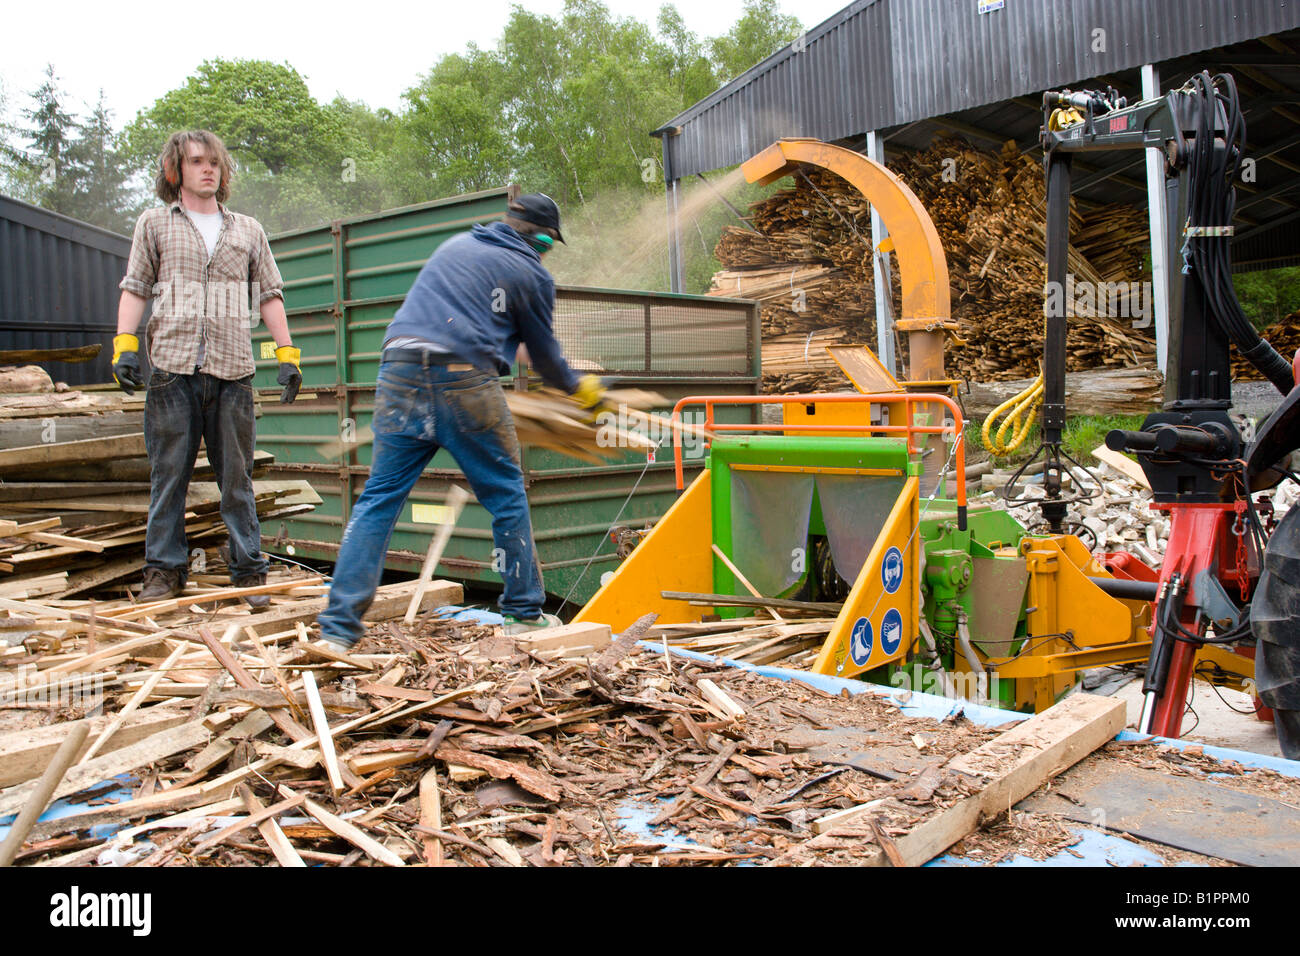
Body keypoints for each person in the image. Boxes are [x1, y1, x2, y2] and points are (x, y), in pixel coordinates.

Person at [316, 193, 604, 648]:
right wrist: (578, 389)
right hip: (464, 379)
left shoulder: (454, 248)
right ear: (545, 239)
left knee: (378, 498)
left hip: (399, 370)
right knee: (505, 493)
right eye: (549, 245)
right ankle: (525, 614)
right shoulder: (531, 272)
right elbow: (543, 354)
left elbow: (495, 336)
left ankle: (337, 629)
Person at [113, 129, 302, 607]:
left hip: (233, 372)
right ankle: (164, 573)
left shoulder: (248, 229)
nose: (209, 169)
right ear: (176, 171)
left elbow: (269, 293)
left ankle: (248, 572)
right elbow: (136, 285)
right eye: (197, 161)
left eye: (215, 161)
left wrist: (287, 354)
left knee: (236, 481)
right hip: (171, 371)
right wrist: (124, 346)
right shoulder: (154, 224)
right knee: (169, 477)